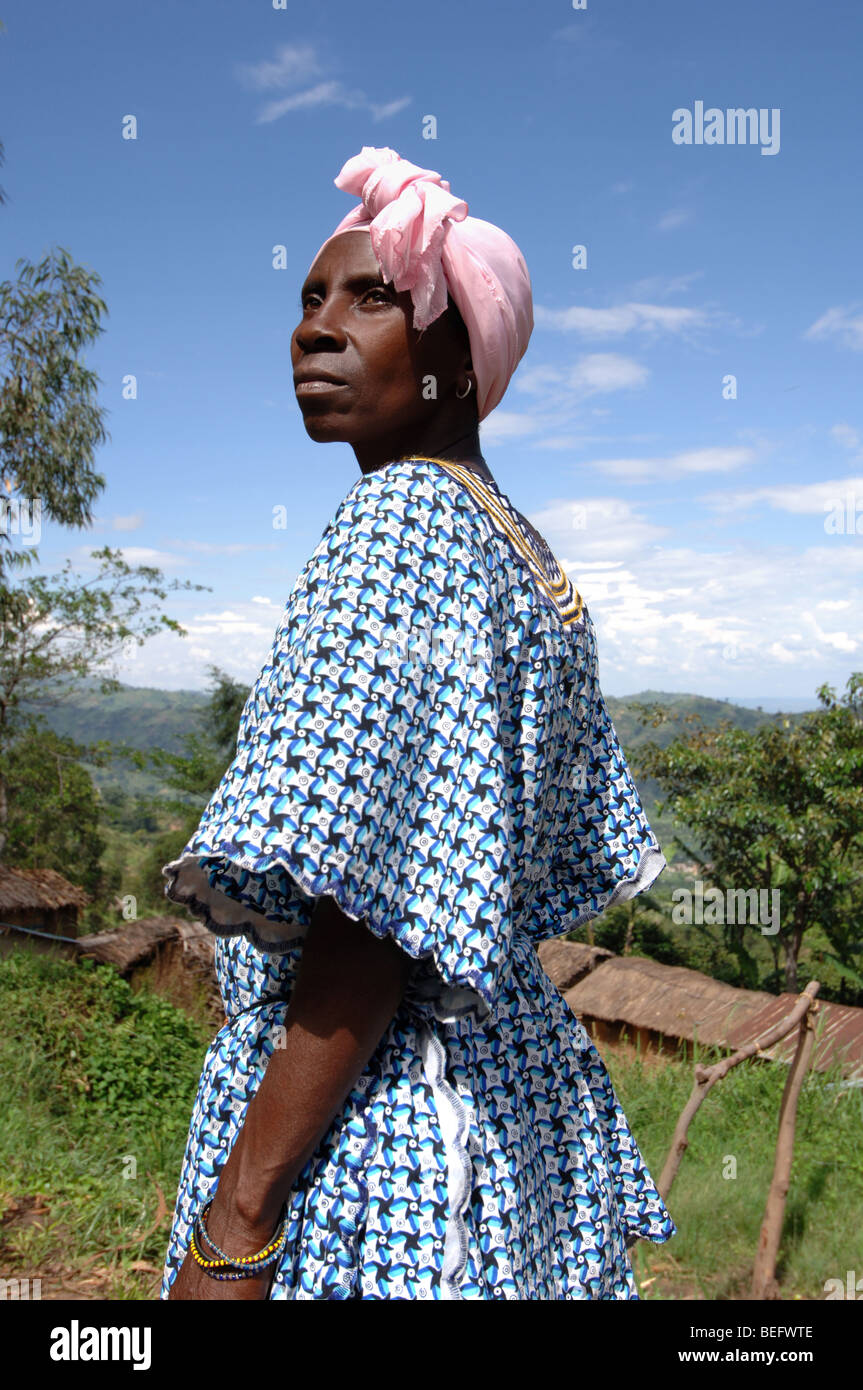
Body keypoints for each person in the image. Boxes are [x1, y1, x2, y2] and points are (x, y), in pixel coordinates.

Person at [160, 145, 676, 1301]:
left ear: (460, 352)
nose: (315, 327)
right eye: (309, 300)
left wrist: (239, 1221)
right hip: (511, 1106)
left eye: (372, 296)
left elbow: (369, 918)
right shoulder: (525, 554)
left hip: (381, 1132)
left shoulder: (402, 522)